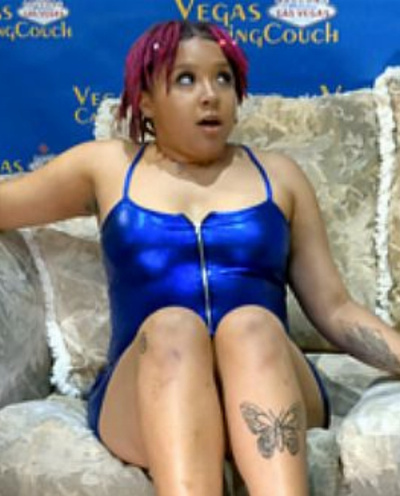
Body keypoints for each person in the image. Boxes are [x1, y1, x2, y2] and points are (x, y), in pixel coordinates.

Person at [1, 19, 400, 496]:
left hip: (267, 380)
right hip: (150, 387)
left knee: (250, 323)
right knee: (174, 326)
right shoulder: (105, 167)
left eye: (223, 78)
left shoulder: (280, 176)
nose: (210, 95)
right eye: (186, 79)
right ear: (146, 100)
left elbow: (335, 308)